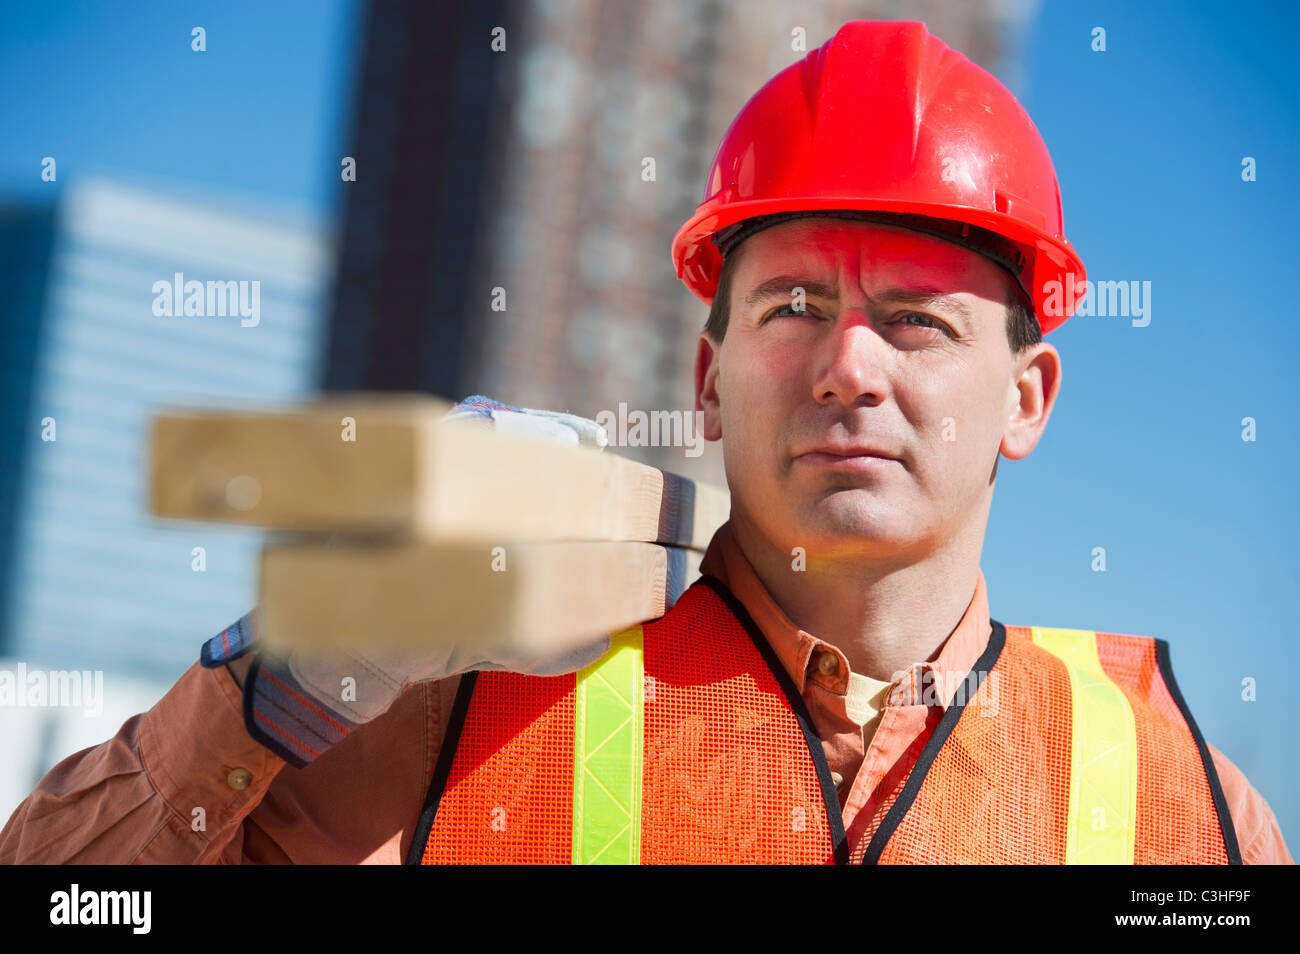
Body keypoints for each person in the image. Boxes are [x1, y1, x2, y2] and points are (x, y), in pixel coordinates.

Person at [1, 20, 1290, 865]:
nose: (852, 366)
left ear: (1028, 398)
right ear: (709, 379)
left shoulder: (1180, 798)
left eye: (917, 322)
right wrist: (295, 670)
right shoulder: (476, 698)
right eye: (795, 307)